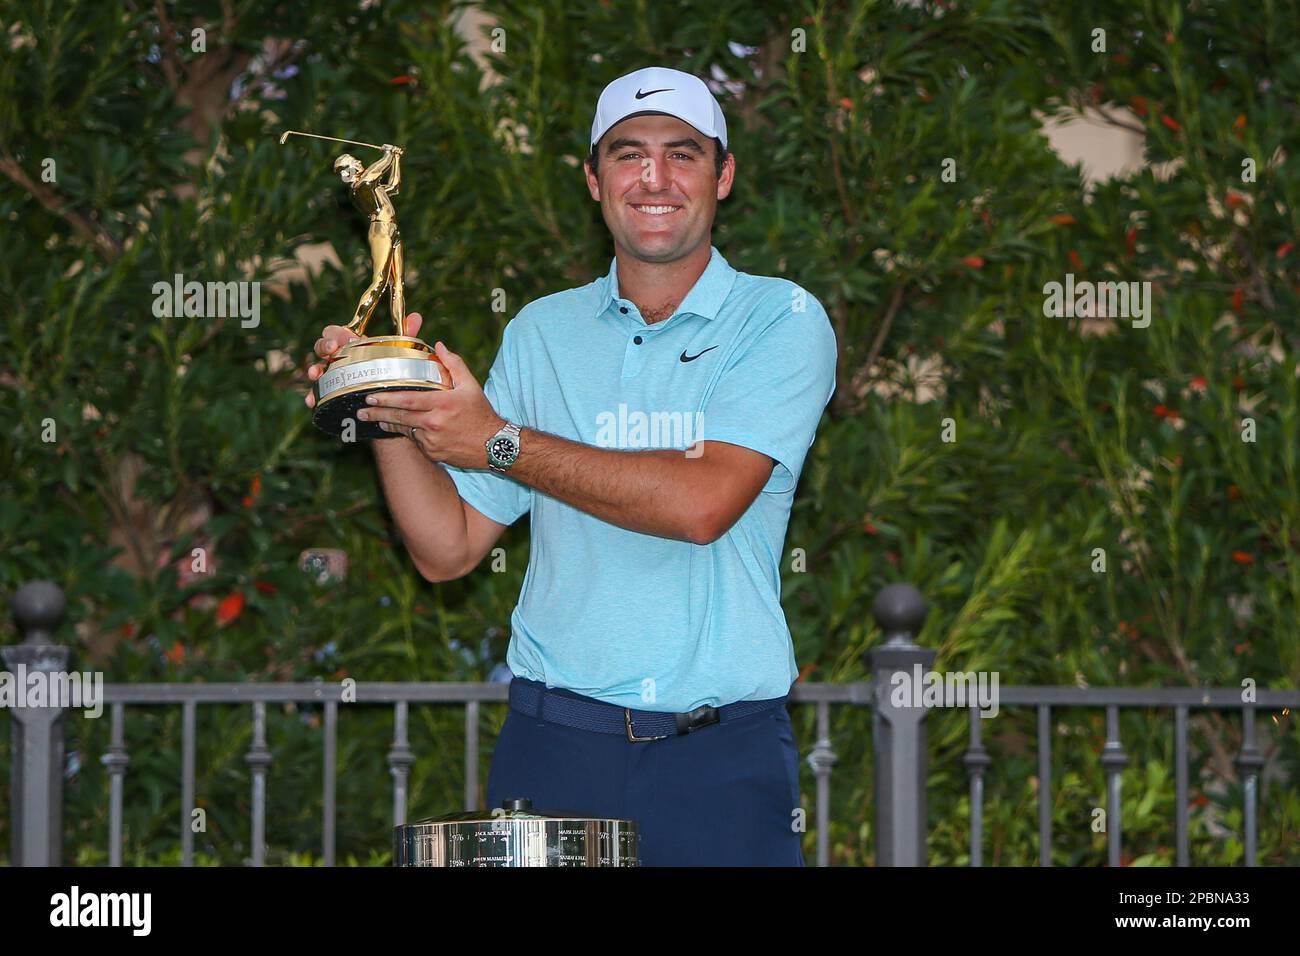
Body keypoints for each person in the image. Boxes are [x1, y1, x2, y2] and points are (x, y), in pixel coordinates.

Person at [306, 66, 838, 866]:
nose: (653, 178)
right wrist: (386, 408)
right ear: (594, 180)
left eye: (682, 153)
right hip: (555, 748)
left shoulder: (782, 317)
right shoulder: (540, 332)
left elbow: (703, 504)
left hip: (721, 759)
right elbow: (446, 548)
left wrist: (499, 442)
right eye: (628, 154)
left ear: (723, 175)